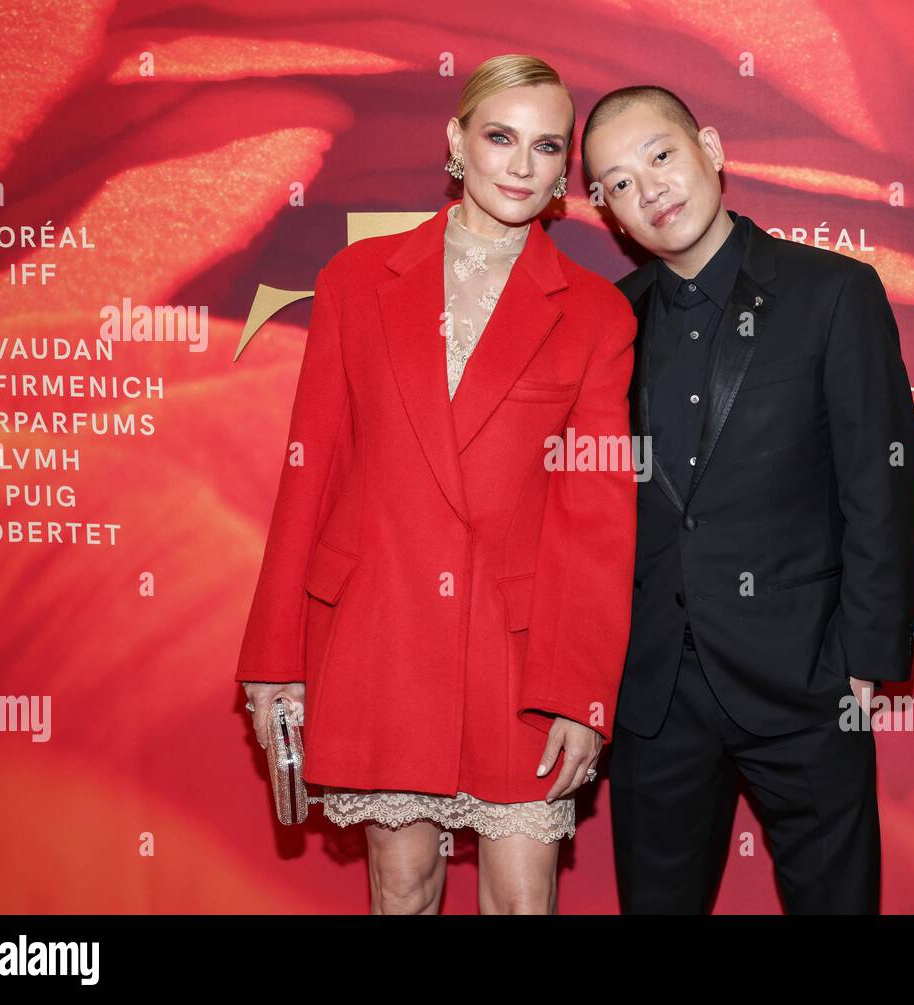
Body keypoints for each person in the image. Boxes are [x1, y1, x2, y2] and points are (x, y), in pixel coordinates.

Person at [236, 55, 637, 915]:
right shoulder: (356, 280)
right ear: (456, 141)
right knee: (404, 887)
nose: (522, 166)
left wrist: (582, 689)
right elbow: (312, 469)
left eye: (546, 147)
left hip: (519, 646)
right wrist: (275, 655)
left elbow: (597, 517)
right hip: (381, 626)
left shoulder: (597, 312)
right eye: (500, 137)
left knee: (523, 901)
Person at [581, 86, 914, 913]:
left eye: (659, 156)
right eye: (617, 183)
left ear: (712, 146)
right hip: (656, 695)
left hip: (806, 678)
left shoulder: (834, 292)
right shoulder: (607, 324)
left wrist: (868, 658)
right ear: (610, 215)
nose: (649, 189)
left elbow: (879, 480)